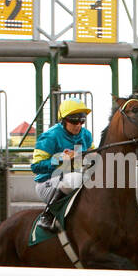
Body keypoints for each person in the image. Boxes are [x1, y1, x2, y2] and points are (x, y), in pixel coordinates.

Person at [32, 99, 94, 231]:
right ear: (64, 120)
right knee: (74, 178)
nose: (78, 125)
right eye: (74, 121)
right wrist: (60, 159)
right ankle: (47, 215)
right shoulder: (50, 136)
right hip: (47, 183)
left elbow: (92, 158)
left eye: (82, 121)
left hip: (73, 178)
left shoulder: (86, 135)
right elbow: (36, 167)